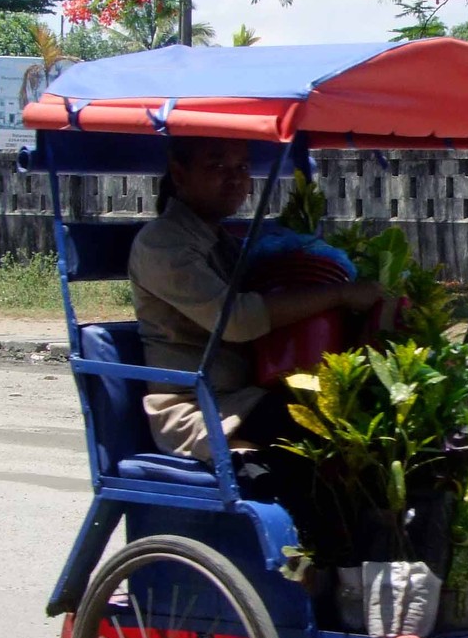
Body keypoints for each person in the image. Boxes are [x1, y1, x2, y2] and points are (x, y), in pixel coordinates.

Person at [128, 136, 383, 479]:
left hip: (252, 394)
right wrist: (340, 294)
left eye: (242, 168)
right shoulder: (163, 243)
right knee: (333, 432)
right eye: (216, 166)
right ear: (179, 173)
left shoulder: (225, 244)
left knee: (375, 412)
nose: (234, 178)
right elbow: (235, 320)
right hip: (203, 407)